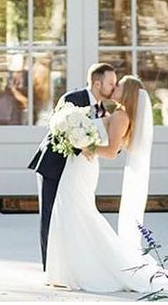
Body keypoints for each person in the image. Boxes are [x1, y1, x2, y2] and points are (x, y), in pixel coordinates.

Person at [43, 74, 156, 293]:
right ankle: (63, 270)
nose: (114, 88)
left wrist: (87, 147)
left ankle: (83, 270)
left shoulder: (122, 116)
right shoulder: (114, 112)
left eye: (119, 86)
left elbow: (112, 151)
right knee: (68, 212)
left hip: (84, 166)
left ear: (129, 92)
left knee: (78, 213)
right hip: (78, 166)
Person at [27, 61, 118, 271]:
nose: (115, 87)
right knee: (50, 215)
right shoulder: (72, 99)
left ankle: (74, 263)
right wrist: (82, 145)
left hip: (79, 171)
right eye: (111, 83)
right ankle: (50, 267)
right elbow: (57, 132)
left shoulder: (108, 108)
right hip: (54, 165)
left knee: (76, 215)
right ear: (97, 84)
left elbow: (109, 141)